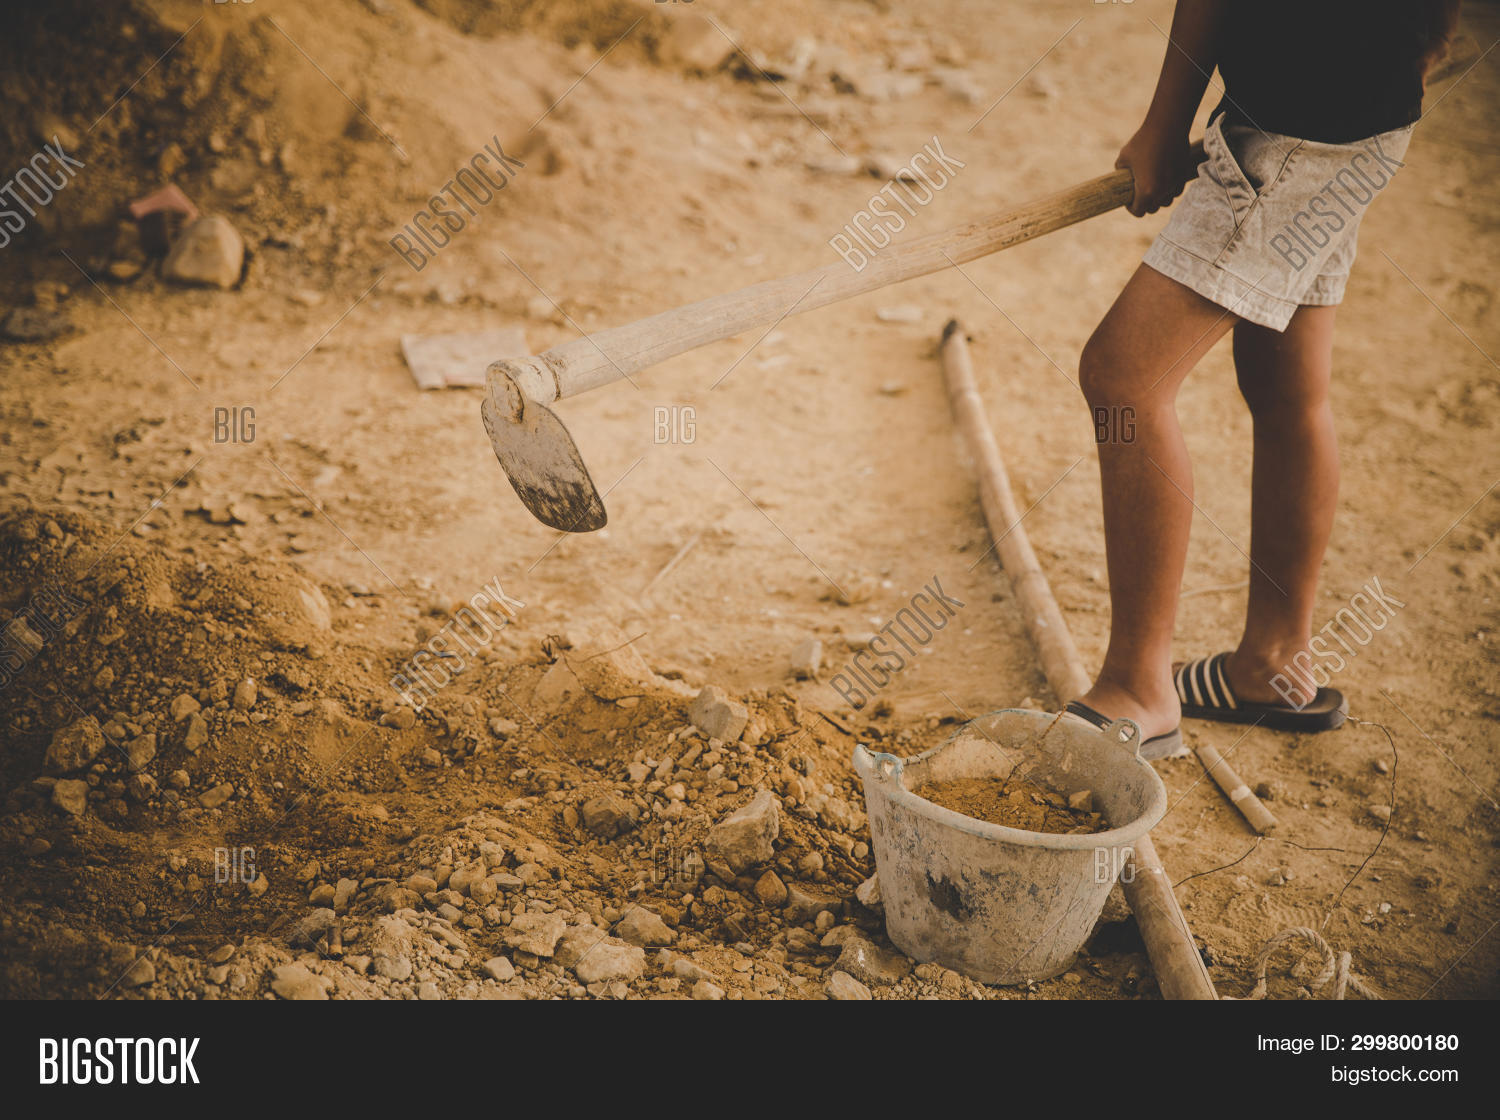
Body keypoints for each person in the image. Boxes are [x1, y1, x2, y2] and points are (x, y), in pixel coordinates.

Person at [1062, 0, 1462, 758]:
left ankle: (1138, 688)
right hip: (1362, 112)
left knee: (1123, 378)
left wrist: (1163, 122)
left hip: (1293, 125)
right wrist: (1418, 51)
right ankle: (1274, 663)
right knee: (1285, 380)